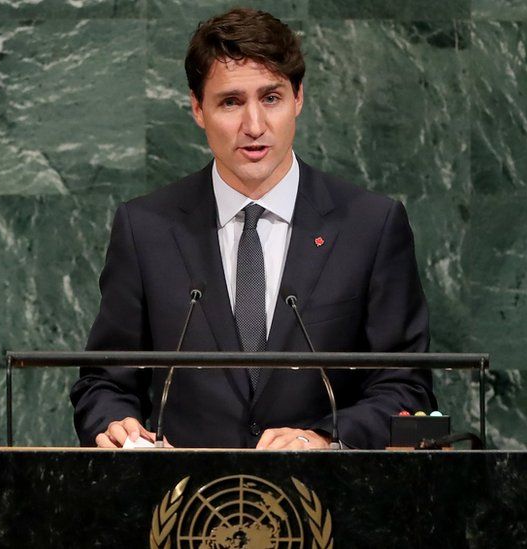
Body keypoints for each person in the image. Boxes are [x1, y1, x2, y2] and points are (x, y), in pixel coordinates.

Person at [69, 7, 435, 450]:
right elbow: (103, 384)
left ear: (298, 97)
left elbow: (406, 388)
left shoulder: (370, 226)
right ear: (197, 108)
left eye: (271, 98)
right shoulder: (146, 229)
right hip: (186, 505)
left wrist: (324, 438)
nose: (255, 126)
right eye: (230, 102)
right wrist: (117, 424)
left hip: (332, 502)